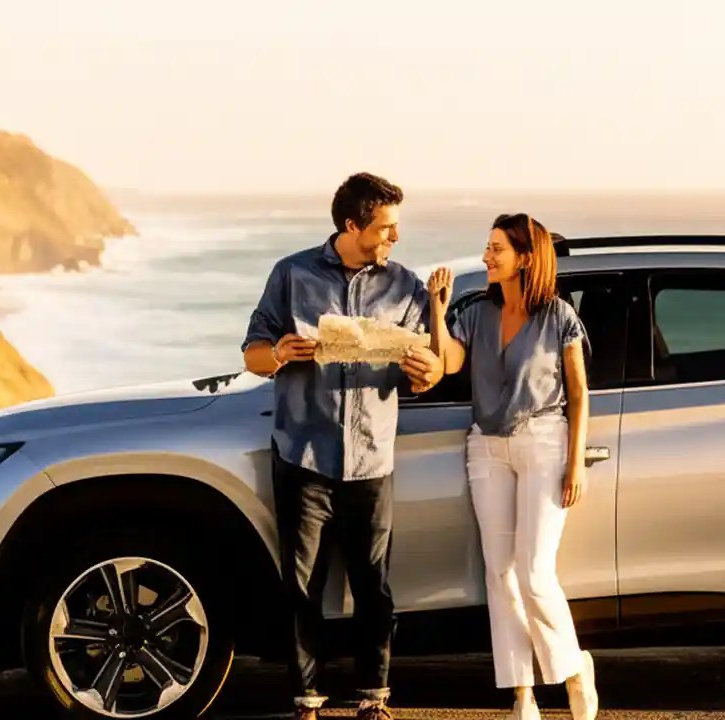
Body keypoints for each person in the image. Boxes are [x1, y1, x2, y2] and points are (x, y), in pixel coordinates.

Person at [242, 172, 444, 720]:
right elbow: (253, 353)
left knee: (373, 586)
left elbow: (430, 371)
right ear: (352, 226)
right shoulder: (291, 274)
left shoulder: (405, 286)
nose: (394, 239)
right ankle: (306, 699)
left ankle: (373, 698)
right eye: (386, 228)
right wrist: (280, 353)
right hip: (302, 456)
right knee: (302, 586)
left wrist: (426, 367)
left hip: (372, 457)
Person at [426, 213, 599, 720]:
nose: (486, 256)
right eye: (487, 247)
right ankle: (522, 694)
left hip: (544, 441)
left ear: (524, 256)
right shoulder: (478, 312)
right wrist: (438, 312)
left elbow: (579, 393)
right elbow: (451, 362)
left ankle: (573, 670)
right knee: (499, 575)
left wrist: (576, 464)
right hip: (487, 447)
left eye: (496, 248)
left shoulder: (559, 316)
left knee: (534, 573)